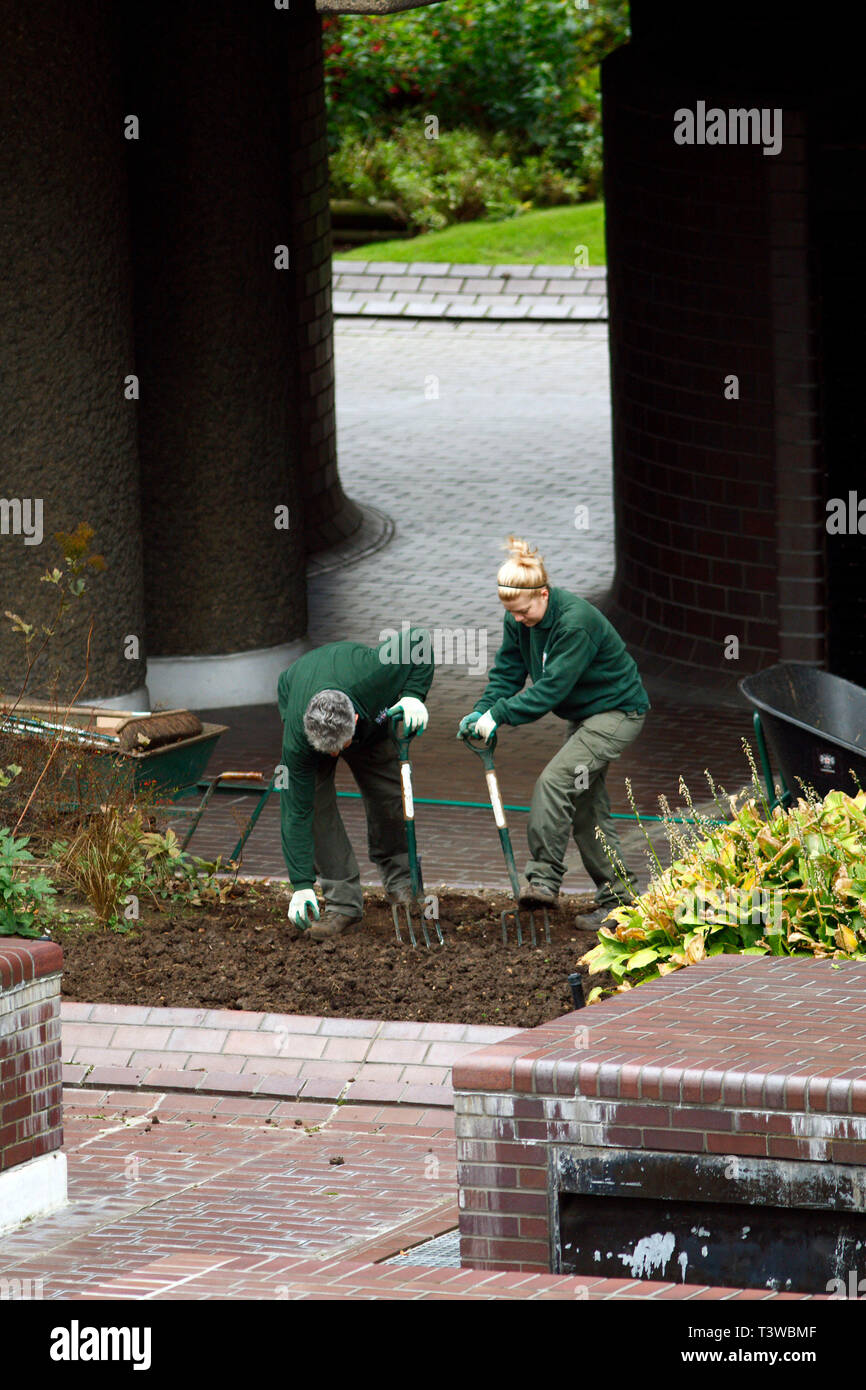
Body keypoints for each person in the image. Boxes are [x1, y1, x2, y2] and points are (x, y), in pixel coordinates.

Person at [458, 537, 649, 918]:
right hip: (584, 715)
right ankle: (621, 899)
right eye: (511, 612)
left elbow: (550, 690)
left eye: (524, 611)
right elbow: (507, 673)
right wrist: (482, 711)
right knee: (584, 803)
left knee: (556, 781)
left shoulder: (574, 623)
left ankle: (544, 879)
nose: (518, 619)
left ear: (543, 594)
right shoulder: (520, 618)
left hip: (617, 713)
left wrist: (499, 716)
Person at [279, 629, 434, 941]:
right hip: (298, 694)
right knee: (316, 810)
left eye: (341, 745)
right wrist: (300, 884)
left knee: (390, 798)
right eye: (330, 750)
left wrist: (414, 695)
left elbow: (418, 640)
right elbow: (295, 811)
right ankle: (343, 904)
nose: (337, 755)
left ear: (354, 721)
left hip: (372, 723)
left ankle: (403, 880)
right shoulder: (299, 740)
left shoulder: (374, 674)